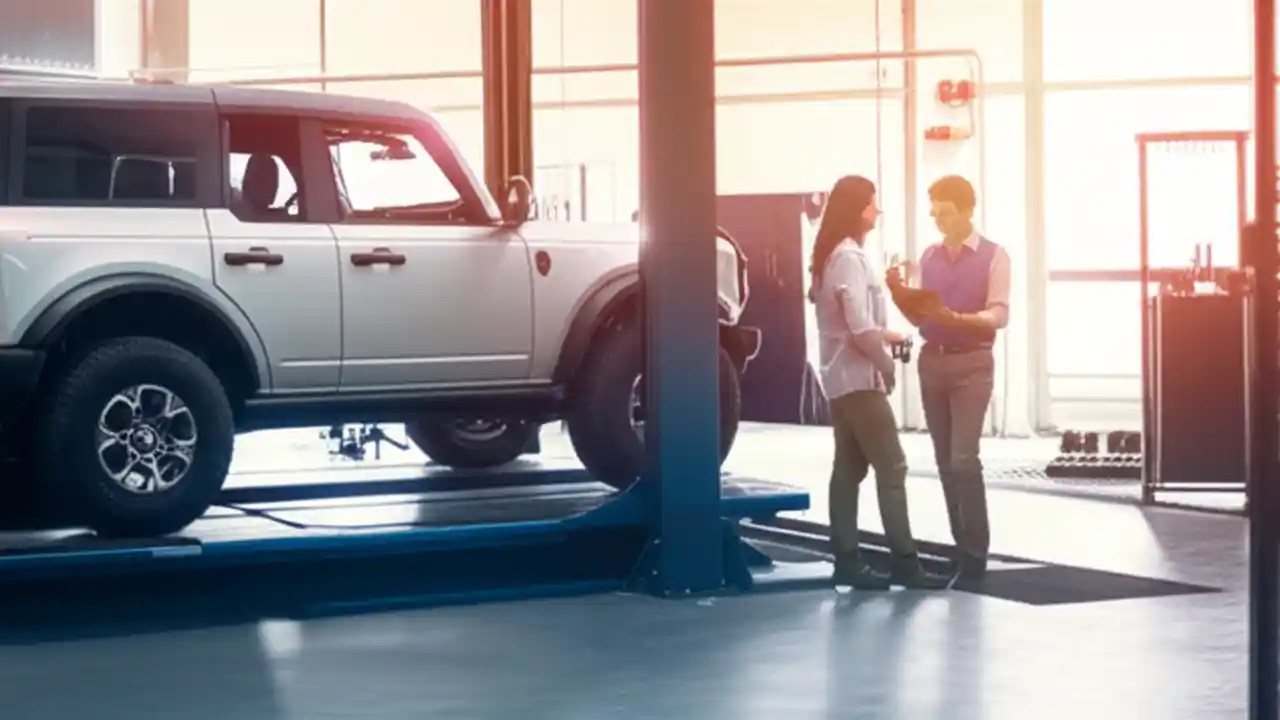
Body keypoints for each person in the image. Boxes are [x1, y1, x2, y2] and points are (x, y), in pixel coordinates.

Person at [809, 175, 950, 591]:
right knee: (892, 465)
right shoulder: (849, 259)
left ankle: (848, 561)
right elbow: (857, 328)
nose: (877, 211)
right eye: (872, 205)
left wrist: (891, 336)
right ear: (857, 210)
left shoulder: (832, 256)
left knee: (849, 469)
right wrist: (886, 367)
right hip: (858, 381)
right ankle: (906, 563)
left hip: (841, 377)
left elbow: (854, 322)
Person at [886, 174, 1011, 587]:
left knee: (963, 459)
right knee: (944, 463)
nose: (937, 219)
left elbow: (999, 314)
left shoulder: (995, 256)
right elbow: (923, 316)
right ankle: (962, 550)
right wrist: (899, 293)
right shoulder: (930, 256)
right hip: (932, 362)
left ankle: (975, 556)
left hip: (972, 364)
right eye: (934, 212)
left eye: (945, 212)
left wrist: (959, 320)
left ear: (967, 210)